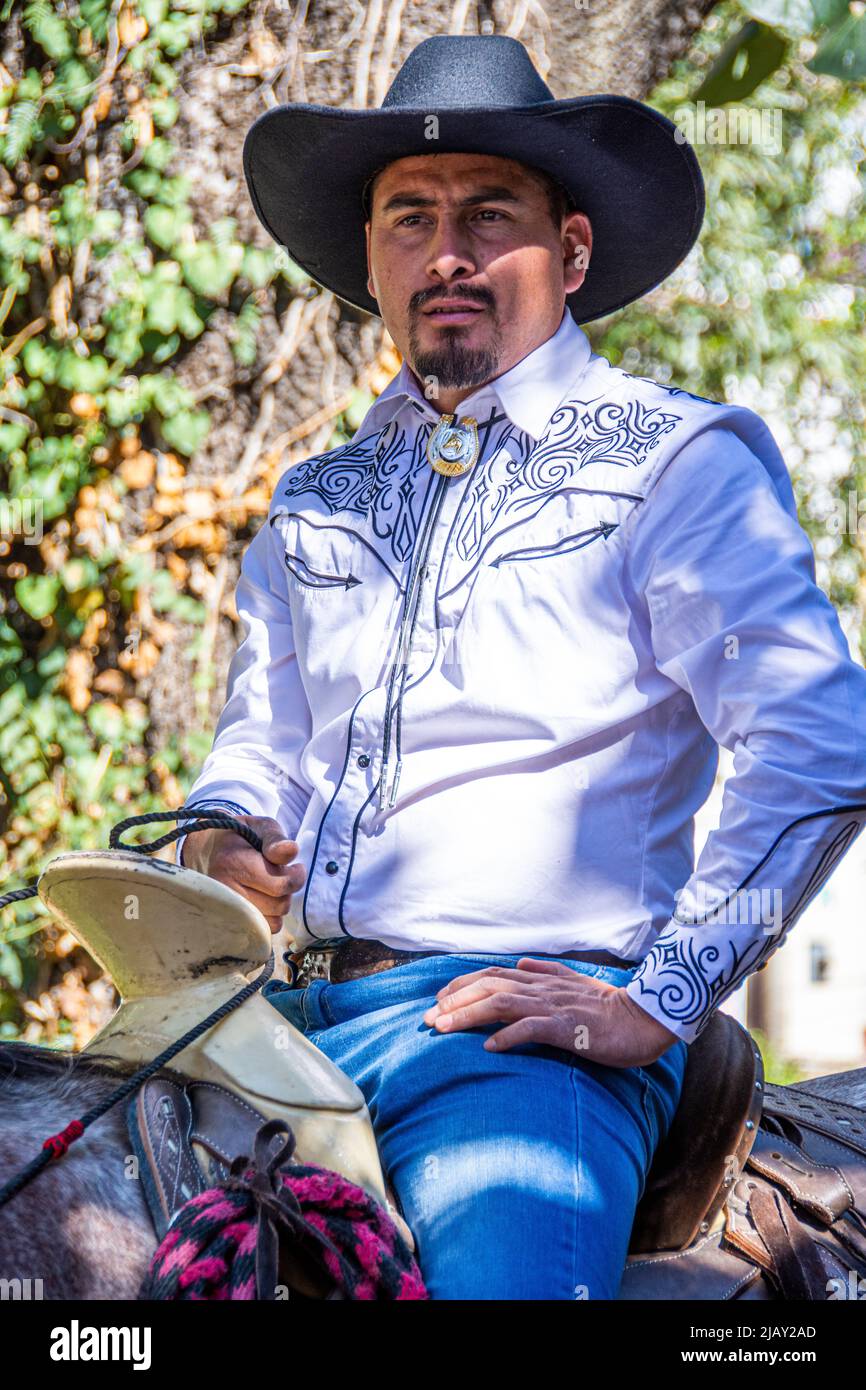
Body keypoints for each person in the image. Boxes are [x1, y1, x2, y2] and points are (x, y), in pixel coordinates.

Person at [175, 34, 866, 1298]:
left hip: (517, 1047)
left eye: (490, 214)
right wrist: (224, 835)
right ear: (370, 259)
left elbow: (820, 746)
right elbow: (259, 743)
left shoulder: (677, 460)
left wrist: (656, 999)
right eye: (410, 217)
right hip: (274, 1030)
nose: (446, 251)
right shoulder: (312, 501)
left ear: (575, 252)